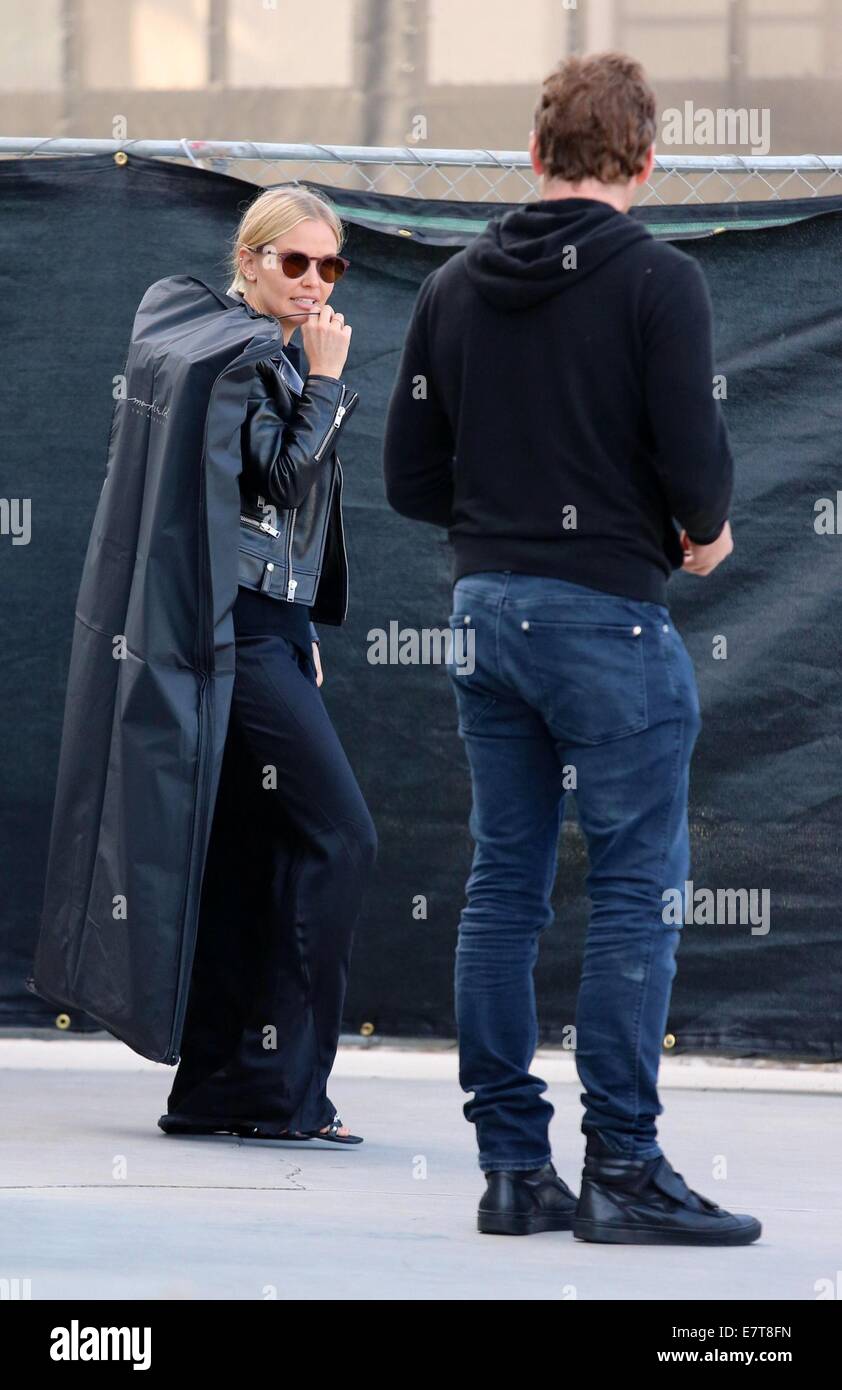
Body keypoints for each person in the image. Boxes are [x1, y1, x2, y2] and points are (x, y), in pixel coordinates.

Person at [383, 52, 761, 1243]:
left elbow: (407, 477)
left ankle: (511, 1171)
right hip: (606, 616)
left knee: (504, 886)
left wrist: (501, 525)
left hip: (485, 610)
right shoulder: (659, 282)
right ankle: (625, 1170)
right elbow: (693, 461)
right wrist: (696, 536)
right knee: (634, 891)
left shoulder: (450, 284)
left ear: (534, 154)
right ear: (646, 163)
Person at [158, 187, 377, 1144]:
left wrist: (303, 636)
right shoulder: (243, 352)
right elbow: (283, 478)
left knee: (253, 856)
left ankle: (220, 1090)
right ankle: (287, 1092)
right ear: (248, 261)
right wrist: (328, 379)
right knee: (340, 837)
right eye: (296, 263)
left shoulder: (260, 354)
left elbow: (264, 517)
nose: (313, 284)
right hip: (236, 640)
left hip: (265, 633)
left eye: (329, 268)